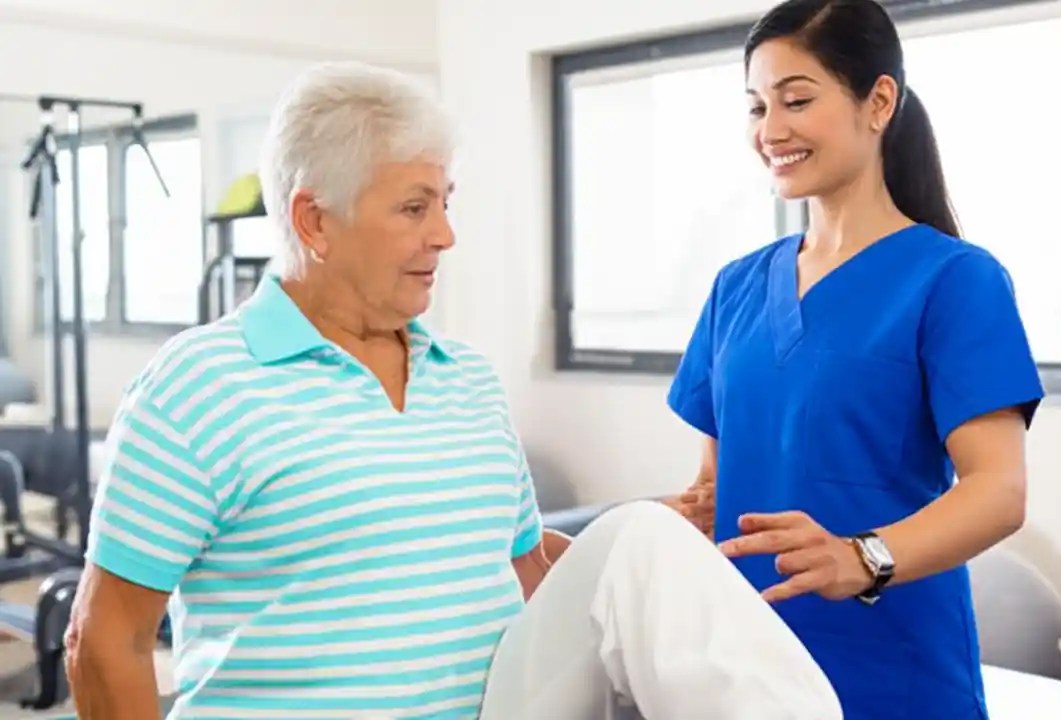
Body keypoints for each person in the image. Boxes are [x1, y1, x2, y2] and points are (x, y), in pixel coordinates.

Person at [62, 61, 842, 720]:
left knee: (640, 535)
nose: (444, 235)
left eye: (445, 202)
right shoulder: (197, 386)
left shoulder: (464, 379)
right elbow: (107, 642)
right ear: (314, 221)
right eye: (413, 207)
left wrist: (648, 557)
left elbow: (523, 564)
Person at [665, 1, 1046, 718]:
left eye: (797, 100)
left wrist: (862, 557)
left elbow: (999, 492)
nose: (770, 131)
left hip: (891, 678)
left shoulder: (954, 281)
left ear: (878, 101)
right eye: (756, 107)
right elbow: (717, 487)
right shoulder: (737, 287)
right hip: (745, 674)